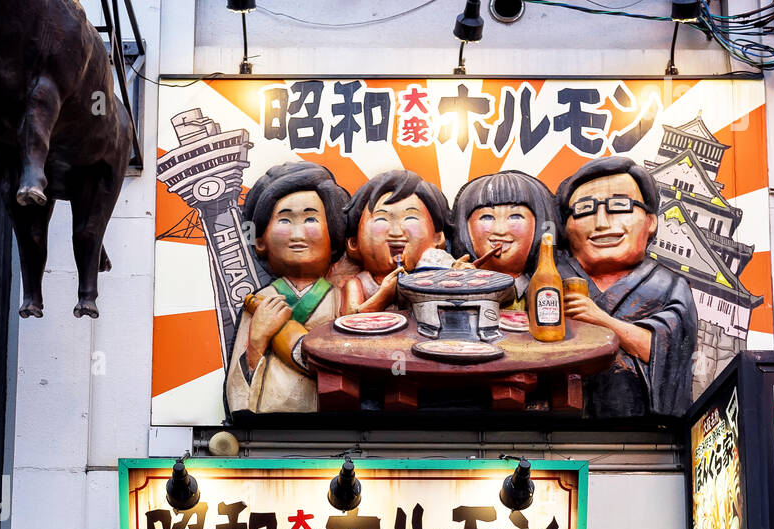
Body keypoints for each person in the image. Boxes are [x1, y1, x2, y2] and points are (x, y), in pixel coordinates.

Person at [556, 155, 697, 418]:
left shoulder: (668, 285)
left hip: (642, 429)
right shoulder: (552, 277)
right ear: (565, 227)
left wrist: (600, 319)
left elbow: (665, 350)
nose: (601, 222)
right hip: (558, 422)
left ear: (651, 221)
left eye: (619, 206)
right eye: (585, 210)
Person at [225, 162, 349, 414]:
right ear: (260, 240)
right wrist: (258, 340)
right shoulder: (260, 301)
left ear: (333, 234)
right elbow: (236, 395)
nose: (297, 234)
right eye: (284, 220)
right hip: (265, 431)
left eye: (311, 218)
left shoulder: (343, 299)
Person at [340, 169, 454, 315]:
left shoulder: (433, 279)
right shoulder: (359, 284)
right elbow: (348, 318)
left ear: (438, 238)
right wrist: (384, 296)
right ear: (354, 243)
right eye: (381, 219)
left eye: (410, 218)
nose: (396, 232)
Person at [451, 170, 558, 308]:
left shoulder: (552, 286)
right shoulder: (460, 279)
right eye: (487, 217)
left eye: (515, 216)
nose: (500, 230)